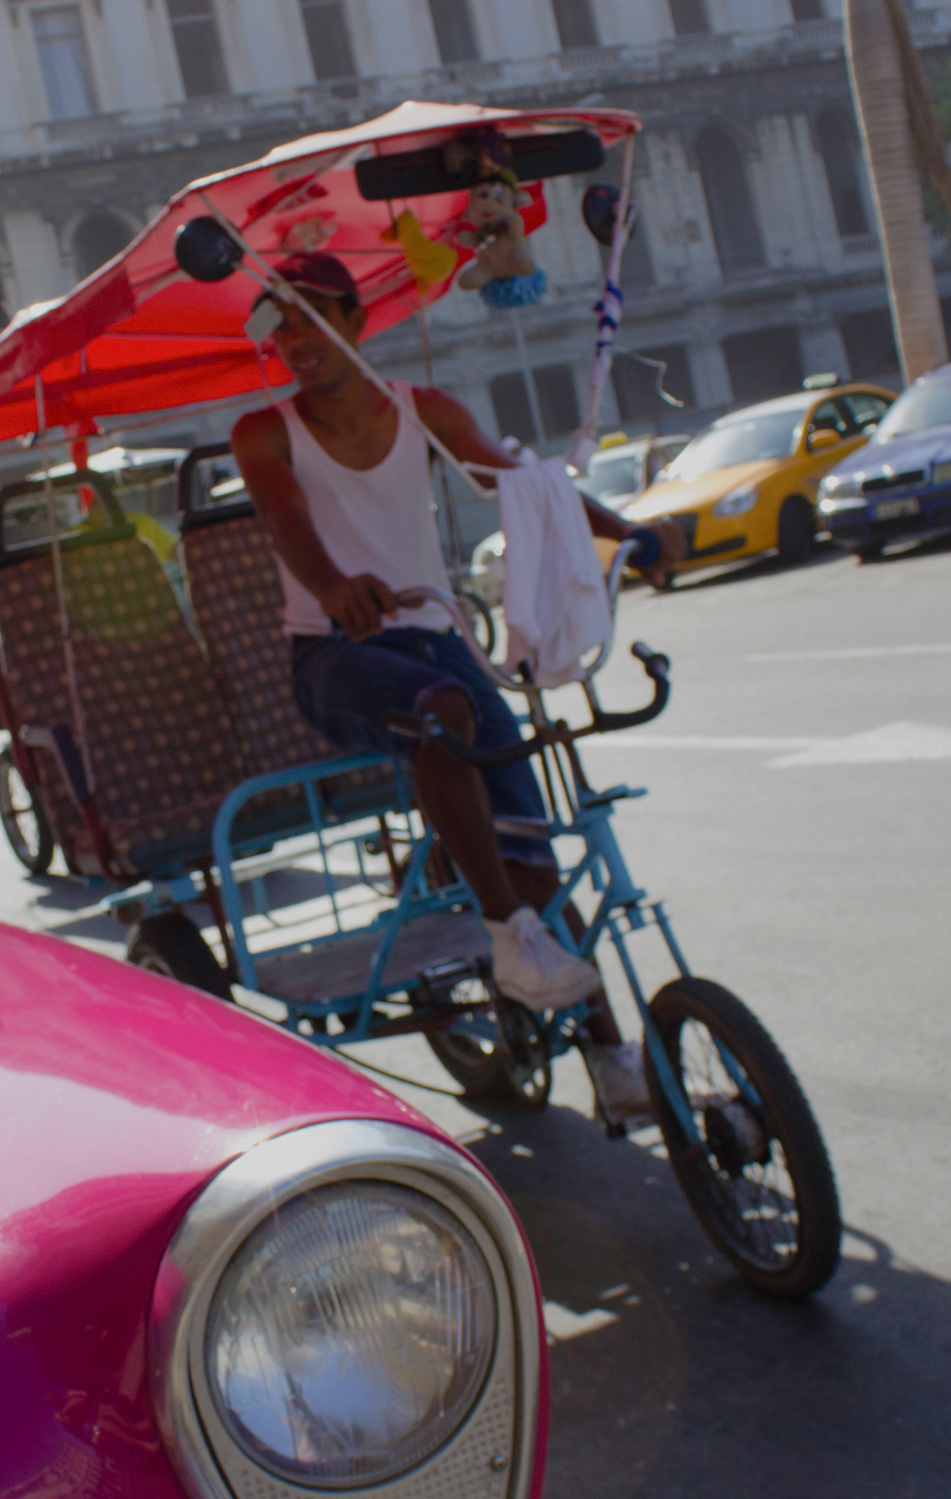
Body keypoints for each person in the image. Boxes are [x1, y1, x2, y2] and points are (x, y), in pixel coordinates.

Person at [229, 251, 684, 1127]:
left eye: (306, 314)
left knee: (536, 836)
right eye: (276, 321)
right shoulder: (265, 430)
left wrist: (626, 533)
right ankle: (509, 932)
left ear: (356, 318)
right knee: (449, 715)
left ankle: (611, 1054)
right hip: (335, 655)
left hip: (439, 643)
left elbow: (522, 484)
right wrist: (331, 585)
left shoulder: (422, 411)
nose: (289, 337)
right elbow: (286, 517)